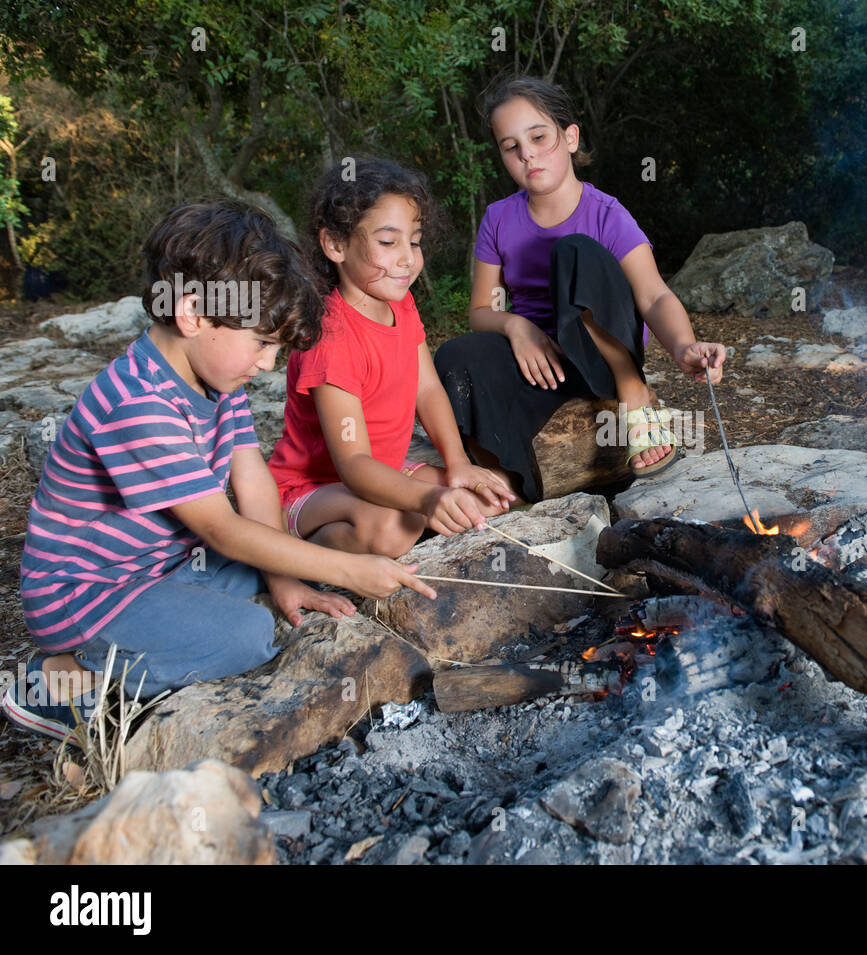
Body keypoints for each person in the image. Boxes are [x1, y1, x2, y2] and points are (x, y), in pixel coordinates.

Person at [4, 201, 437, 743]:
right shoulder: (137, 402)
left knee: (268, 571)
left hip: (163, 567)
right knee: (247, 636)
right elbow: (221, 529)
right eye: (261, 343)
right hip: (90, 593)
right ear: (192, 314)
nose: (266, 366)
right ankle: (64, 680)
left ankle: (176, 627)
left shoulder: (214, 379)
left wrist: (284, 578)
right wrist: (352, 571)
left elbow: (253, 482)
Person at [434, 76, 727, 503]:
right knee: (453, 355)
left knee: (573, 252)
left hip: (603, 359)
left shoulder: (606, 213)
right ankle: (510, 472)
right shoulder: (498, 218)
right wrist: (518, 327)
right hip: (543, 365)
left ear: (570, 136)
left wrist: (684, 347)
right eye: (510, 146)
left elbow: (654, 295)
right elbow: (480, 310)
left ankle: (635, 395)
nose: (527, 153)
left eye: (538, 137)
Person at [267, 159, 515, 557]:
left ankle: (418, 506)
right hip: (314, 489)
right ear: (335, 244)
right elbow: (353, 463)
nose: (407, 259)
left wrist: (457, 464)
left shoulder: (401, 304)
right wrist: (422, 500)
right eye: (387, 242)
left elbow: (429, 388)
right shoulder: (331, 339)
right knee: (391, 529)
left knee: (490, 498)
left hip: (387, 472)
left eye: (413, 241)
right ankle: (297, 547)